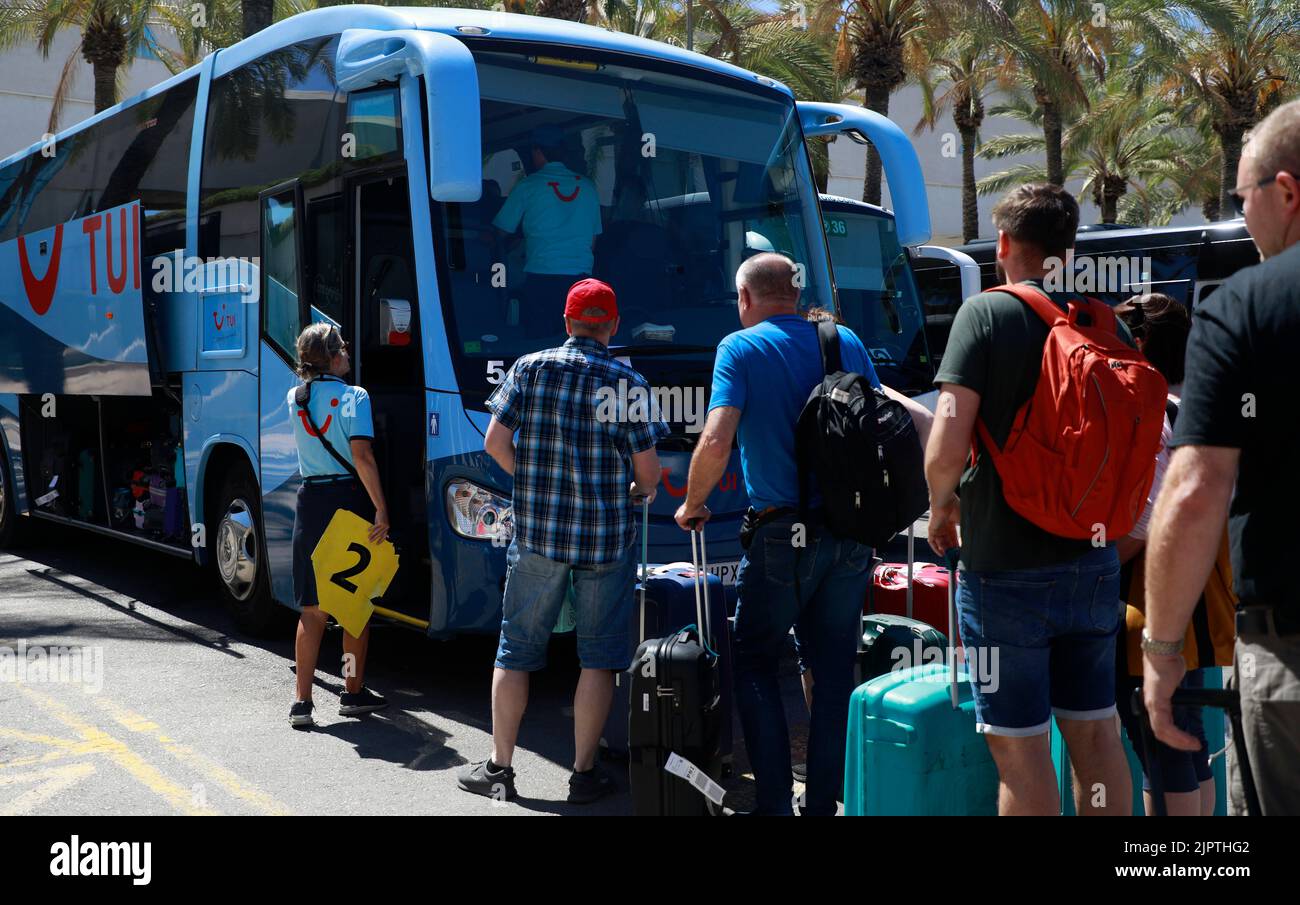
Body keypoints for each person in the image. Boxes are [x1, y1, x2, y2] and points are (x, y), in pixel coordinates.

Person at [673, 253, 930, 815]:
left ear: (745, 298)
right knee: (835, 671)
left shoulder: (739, 348)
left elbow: (717, 439)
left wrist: (692, 502)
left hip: (780, 534)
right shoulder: (845, 341)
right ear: (795, 292)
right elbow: (886, 415)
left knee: (757, 660)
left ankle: (772, 804)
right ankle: (823, 806)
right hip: (851, 535)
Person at [925, 183, 1134, 815]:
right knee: (1097, 735)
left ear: (1006, 244)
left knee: (1020, 749)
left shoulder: (985, 314)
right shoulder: (1102, 319)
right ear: (1067, 247)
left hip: (1003, 570)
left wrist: (941, 507)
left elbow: (946, 440)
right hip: (1095, 562)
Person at [1142, 99, 1300, 815]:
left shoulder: (1245, 307)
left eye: (1244, 196)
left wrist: (1162, 648)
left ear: (1288, 191)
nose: (1244, 214)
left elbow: (1197, 489)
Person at [456, 279, 667, 804]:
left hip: (537, 535)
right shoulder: (628, 383)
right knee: (597, 658)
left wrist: (528, 482)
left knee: (515, 650)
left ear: (567, 322)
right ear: (613, 325)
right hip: (606, 541)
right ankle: (582, 774)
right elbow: (649, 474)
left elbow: (495, 442)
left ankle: (500, 769)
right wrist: (635, 492)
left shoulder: (529, 368)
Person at [1112, 293, 1233, 816]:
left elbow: (1152, 516)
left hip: (1151, 607)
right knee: (1184, 735)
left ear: (1138, 344)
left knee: (1159, 740)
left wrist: (1100, 560)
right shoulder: (1198, 407)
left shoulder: (1152, 411)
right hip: (1197, 608)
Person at [286, 323, 391, 729]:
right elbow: (362, 458)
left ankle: (302, 702)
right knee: (353, 609)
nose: (348, 351)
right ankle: (351, 691)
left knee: (311, 612)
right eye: (342, 348)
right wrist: (381, 508)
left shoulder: (294, 398)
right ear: (331, 357)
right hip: (347, 502)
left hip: (310, 503)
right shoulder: (356, 397)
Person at [492, 124, 603, 340]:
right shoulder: (588, 188)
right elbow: (592, 243)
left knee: (540, 341)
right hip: (580, 283)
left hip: (541, 279)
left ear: (537, 151)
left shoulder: (528, 186)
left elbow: (500, 232)